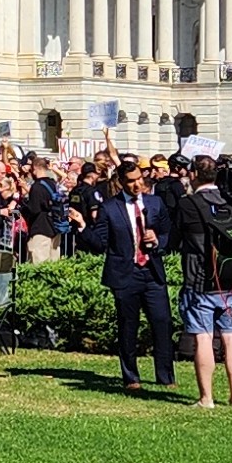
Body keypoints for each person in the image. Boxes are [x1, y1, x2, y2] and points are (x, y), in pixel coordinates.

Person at [80, 167, 174, 390]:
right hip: (125, 273)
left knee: (162, 322)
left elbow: (169, 234)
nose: (136, 184)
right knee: (128, 326)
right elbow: (100, 243)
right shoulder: (110, 208)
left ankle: (166, 376)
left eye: (139, 179)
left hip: (152, 272)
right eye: (131, 181)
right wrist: (83, 228)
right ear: (121, 182)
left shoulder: (155, 203)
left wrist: (158, 239)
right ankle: (131, 377)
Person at [169, 159, 232, 408]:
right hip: (229, 280)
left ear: (193, 174)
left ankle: (207, 398)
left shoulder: (188, 204)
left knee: (204, 338)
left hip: (200, 279)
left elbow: (174, 238)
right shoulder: (231, 202)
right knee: (231, 337)